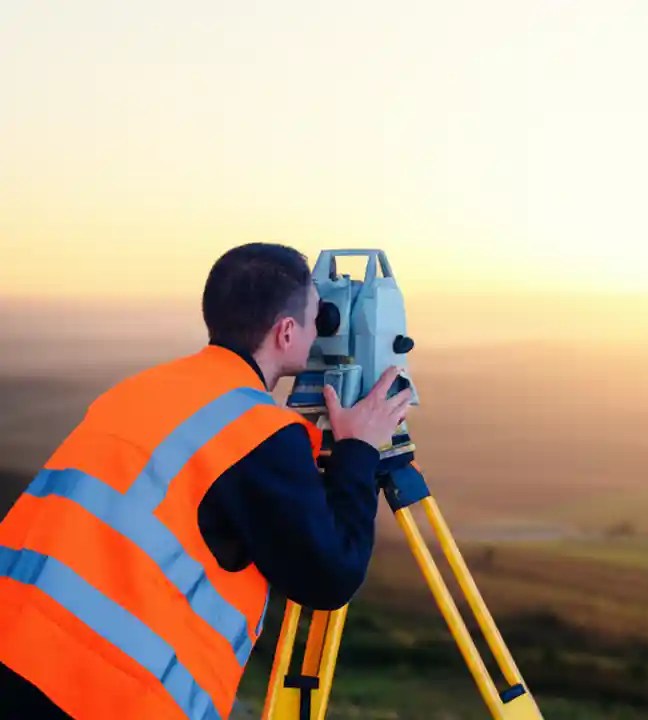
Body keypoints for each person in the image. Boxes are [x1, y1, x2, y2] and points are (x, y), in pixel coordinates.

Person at [0, 243, 412, 719]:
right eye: (316, 318)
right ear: (285, 333)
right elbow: (330, 576)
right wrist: (358, 451)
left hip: (16, 650)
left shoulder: (141, 388)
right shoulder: (258, 434)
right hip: (100, 695)